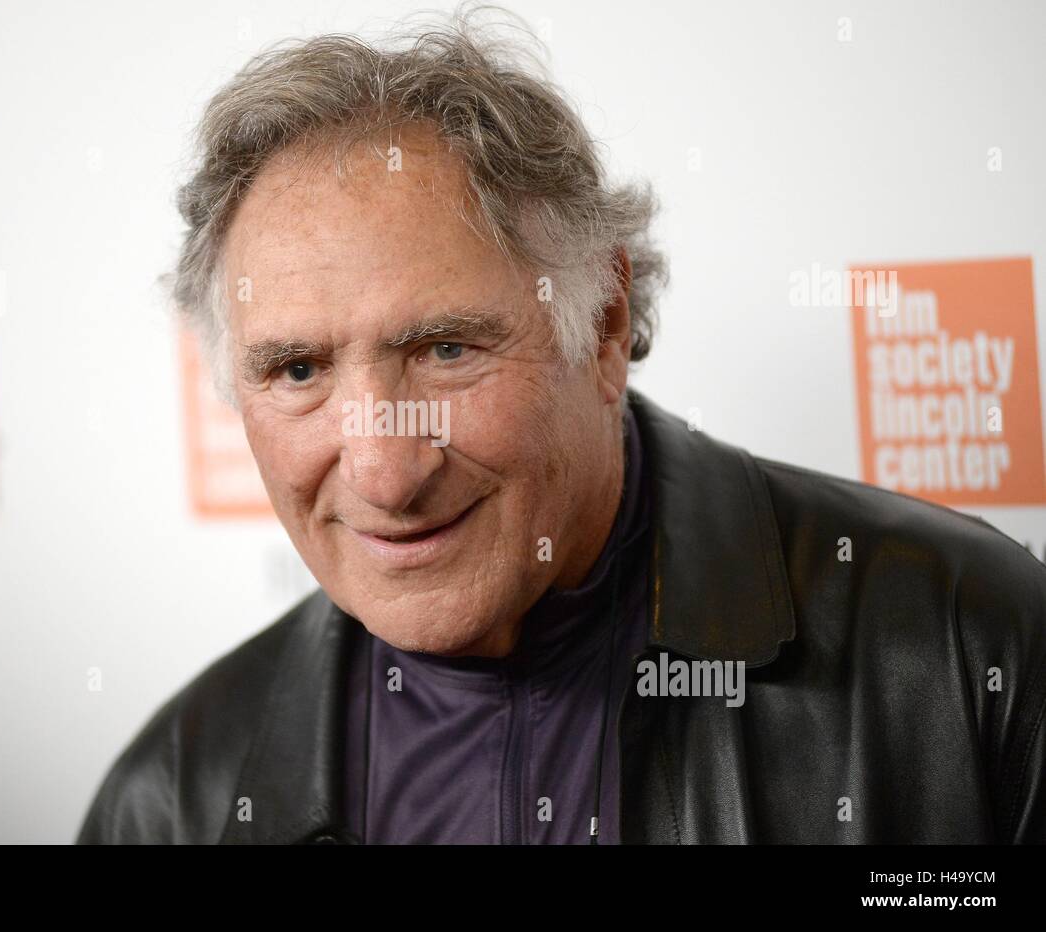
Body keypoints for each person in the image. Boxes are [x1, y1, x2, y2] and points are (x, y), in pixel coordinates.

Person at [77, 10, 1046, 844]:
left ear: (606, 322)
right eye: (296, 369)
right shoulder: (169, 799)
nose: (380, 469)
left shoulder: (970, 653)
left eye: (446, 350)